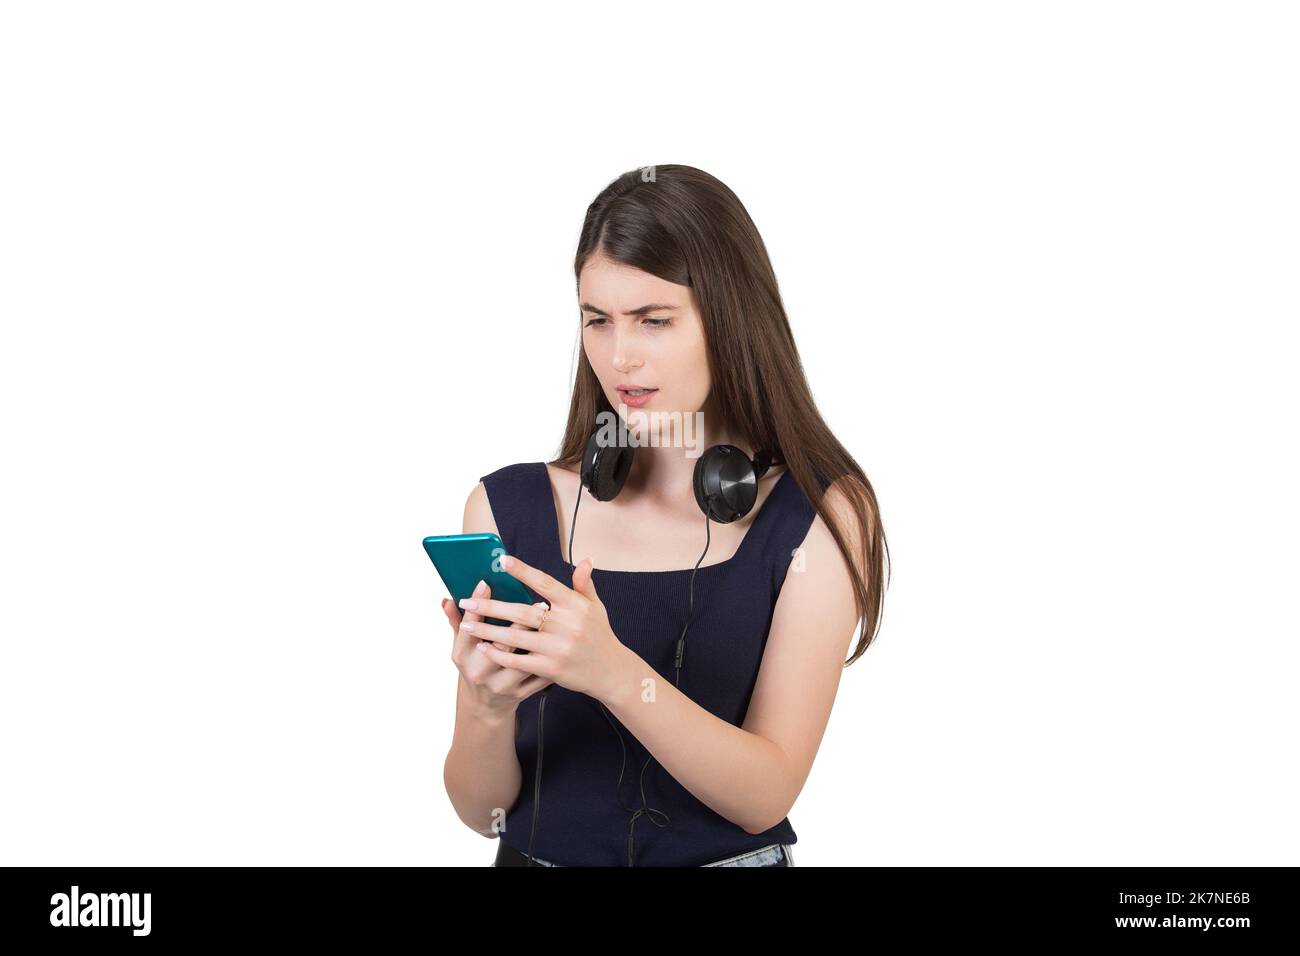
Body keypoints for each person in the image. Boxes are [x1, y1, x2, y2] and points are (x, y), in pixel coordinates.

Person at [440, 164, 889, 867]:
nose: (620, 357)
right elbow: (482, 813)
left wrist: (615, 673)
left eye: (654, 321)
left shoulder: (818, 516)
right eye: (598, 321)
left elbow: (766, 795)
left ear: (731, 318)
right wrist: (485, 707)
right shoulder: (505, 508)